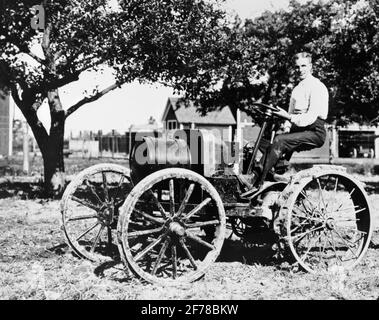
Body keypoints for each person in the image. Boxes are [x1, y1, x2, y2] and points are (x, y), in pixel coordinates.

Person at [243, 52, 329, 197]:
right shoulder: (296, 89)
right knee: (257, 144)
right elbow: (290, 116)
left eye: (303, 66)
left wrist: (288, 117)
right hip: (299, 129)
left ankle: (256, 181)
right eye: (297, 67)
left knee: (279, 141)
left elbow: (309, 118)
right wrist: (285, 123)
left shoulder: (317, 87)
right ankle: (272, 173)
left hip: (315, 131)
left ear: (310, 67)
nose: (300, 70)